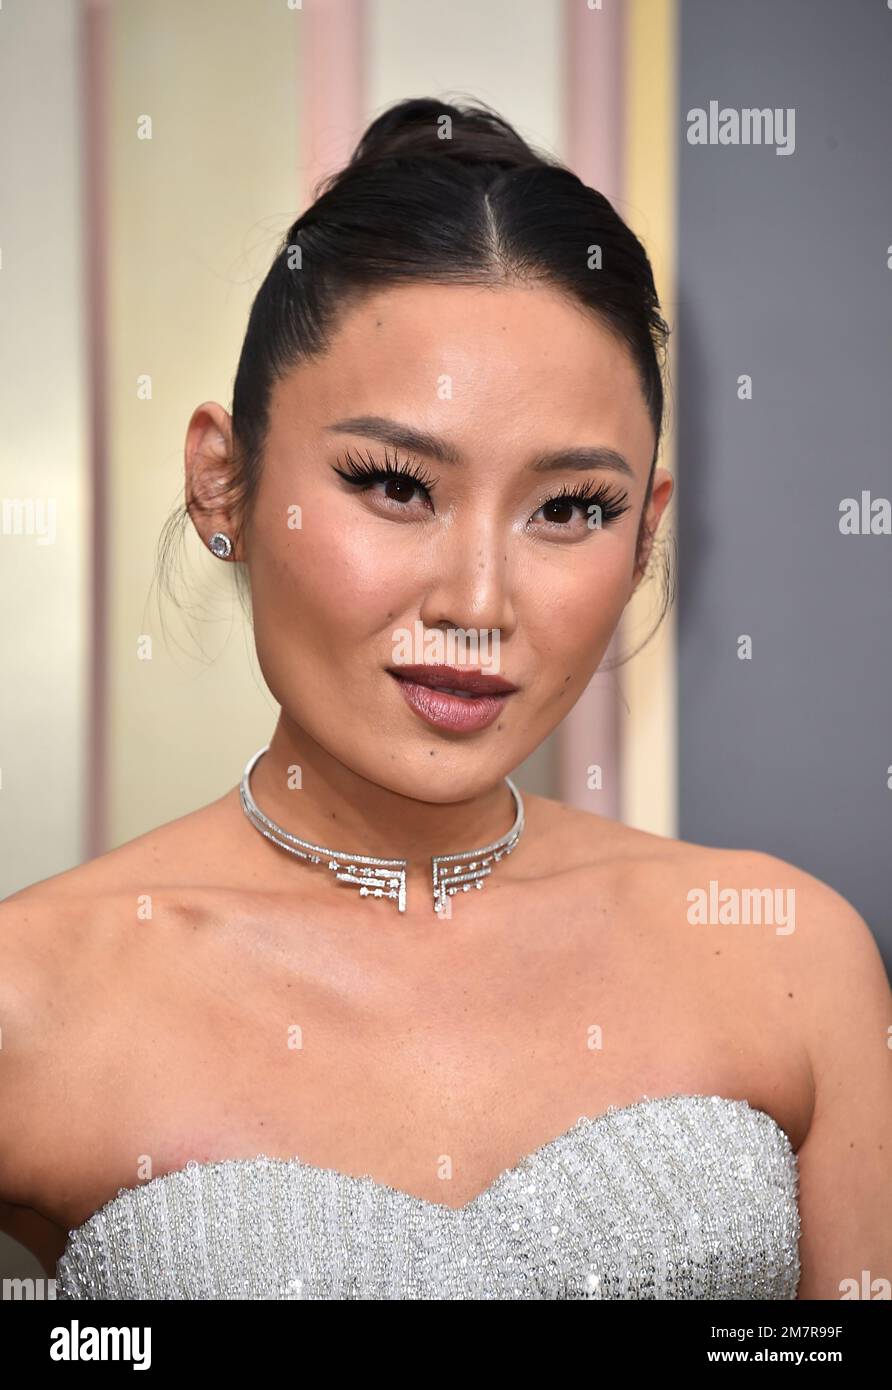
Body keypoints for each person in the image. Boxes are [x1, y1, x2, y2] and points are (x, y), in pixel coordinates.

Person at [1, 98, 889, 1301]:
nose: (479, 599)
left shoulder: (792, 958)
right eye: (393, 484)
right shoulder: (31, 996)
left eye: (570, 508)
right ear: (223, 482)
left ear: (644, 539)